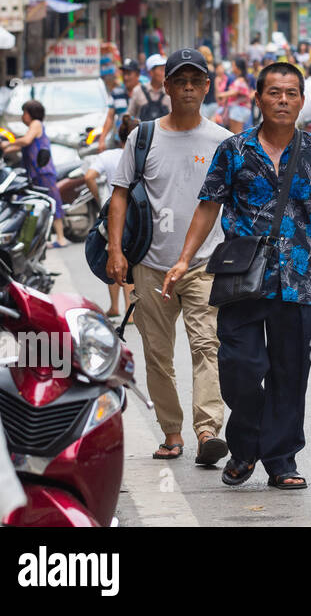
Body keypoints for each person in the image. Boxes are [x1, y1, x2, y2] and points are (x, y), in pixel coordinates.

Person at [165, 61, 311, 491]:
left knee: (290, 373)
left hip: (299, 279)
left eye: (291, 94)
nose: (283, 101)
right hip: (242, 279)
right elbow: (209, 206)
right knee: (238, 368)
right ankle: (246, 445)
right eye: (274, 93)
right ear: (258, 99)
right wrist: (183, 258)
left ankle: (281, 460)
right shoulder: (234, 149)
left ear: (302, 100)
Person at [106, 49, 232, 466]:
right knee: (157, 354)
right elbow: (119, 194)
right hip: (150, 265)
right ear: (168, 87)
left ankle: (208, 429)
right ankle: (172, 433)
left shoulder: (221, 141)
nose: (189, 88)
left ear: (207, 87)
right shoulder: (142, 137)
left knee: (206, 346)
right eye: (181, 81)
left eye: (197, 81)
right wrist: (116, 250)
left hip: (203, 265)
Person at [86, 115, 138, 320]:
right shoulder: (140, 155)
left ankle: (115, 306)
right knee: (129, 259)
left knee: (112, 257)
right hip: (134, 216)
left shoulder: (108, 156)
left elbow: (89, 176)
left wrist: (100, 198)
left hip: (111, 214)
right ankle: (129, 309)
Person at [0, 101, 69, 248]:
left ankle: (61, 238)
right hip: (34, 174)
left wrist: (7, 144)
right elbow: (24, 145)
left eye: (24, 112)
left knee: (52, 202)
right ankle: (44, 239)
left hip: (43, 172)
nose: (22, 116)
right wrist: (3, 151)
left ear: (32, 113)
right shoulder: (31, 128)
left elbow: (26, 141)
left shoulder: (36, 124)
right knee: (37, 204)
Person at [97, 59, 135, 151]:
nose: (126, 77)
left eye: (129, 74)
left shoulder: (144, 93)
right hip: (121, 142)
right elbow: (110, 117)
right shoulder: (116, 93)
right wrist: (102, 140)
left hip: (140, 142)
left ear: (137, 75)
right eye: (124, 74)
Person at [128, 53, 171, 119]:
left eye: (165, 69)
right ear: (151, 72)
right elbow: (130, 116)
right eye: (161, 70)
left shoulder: (170, 91)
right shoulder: (138, 91)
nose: (164, 73)